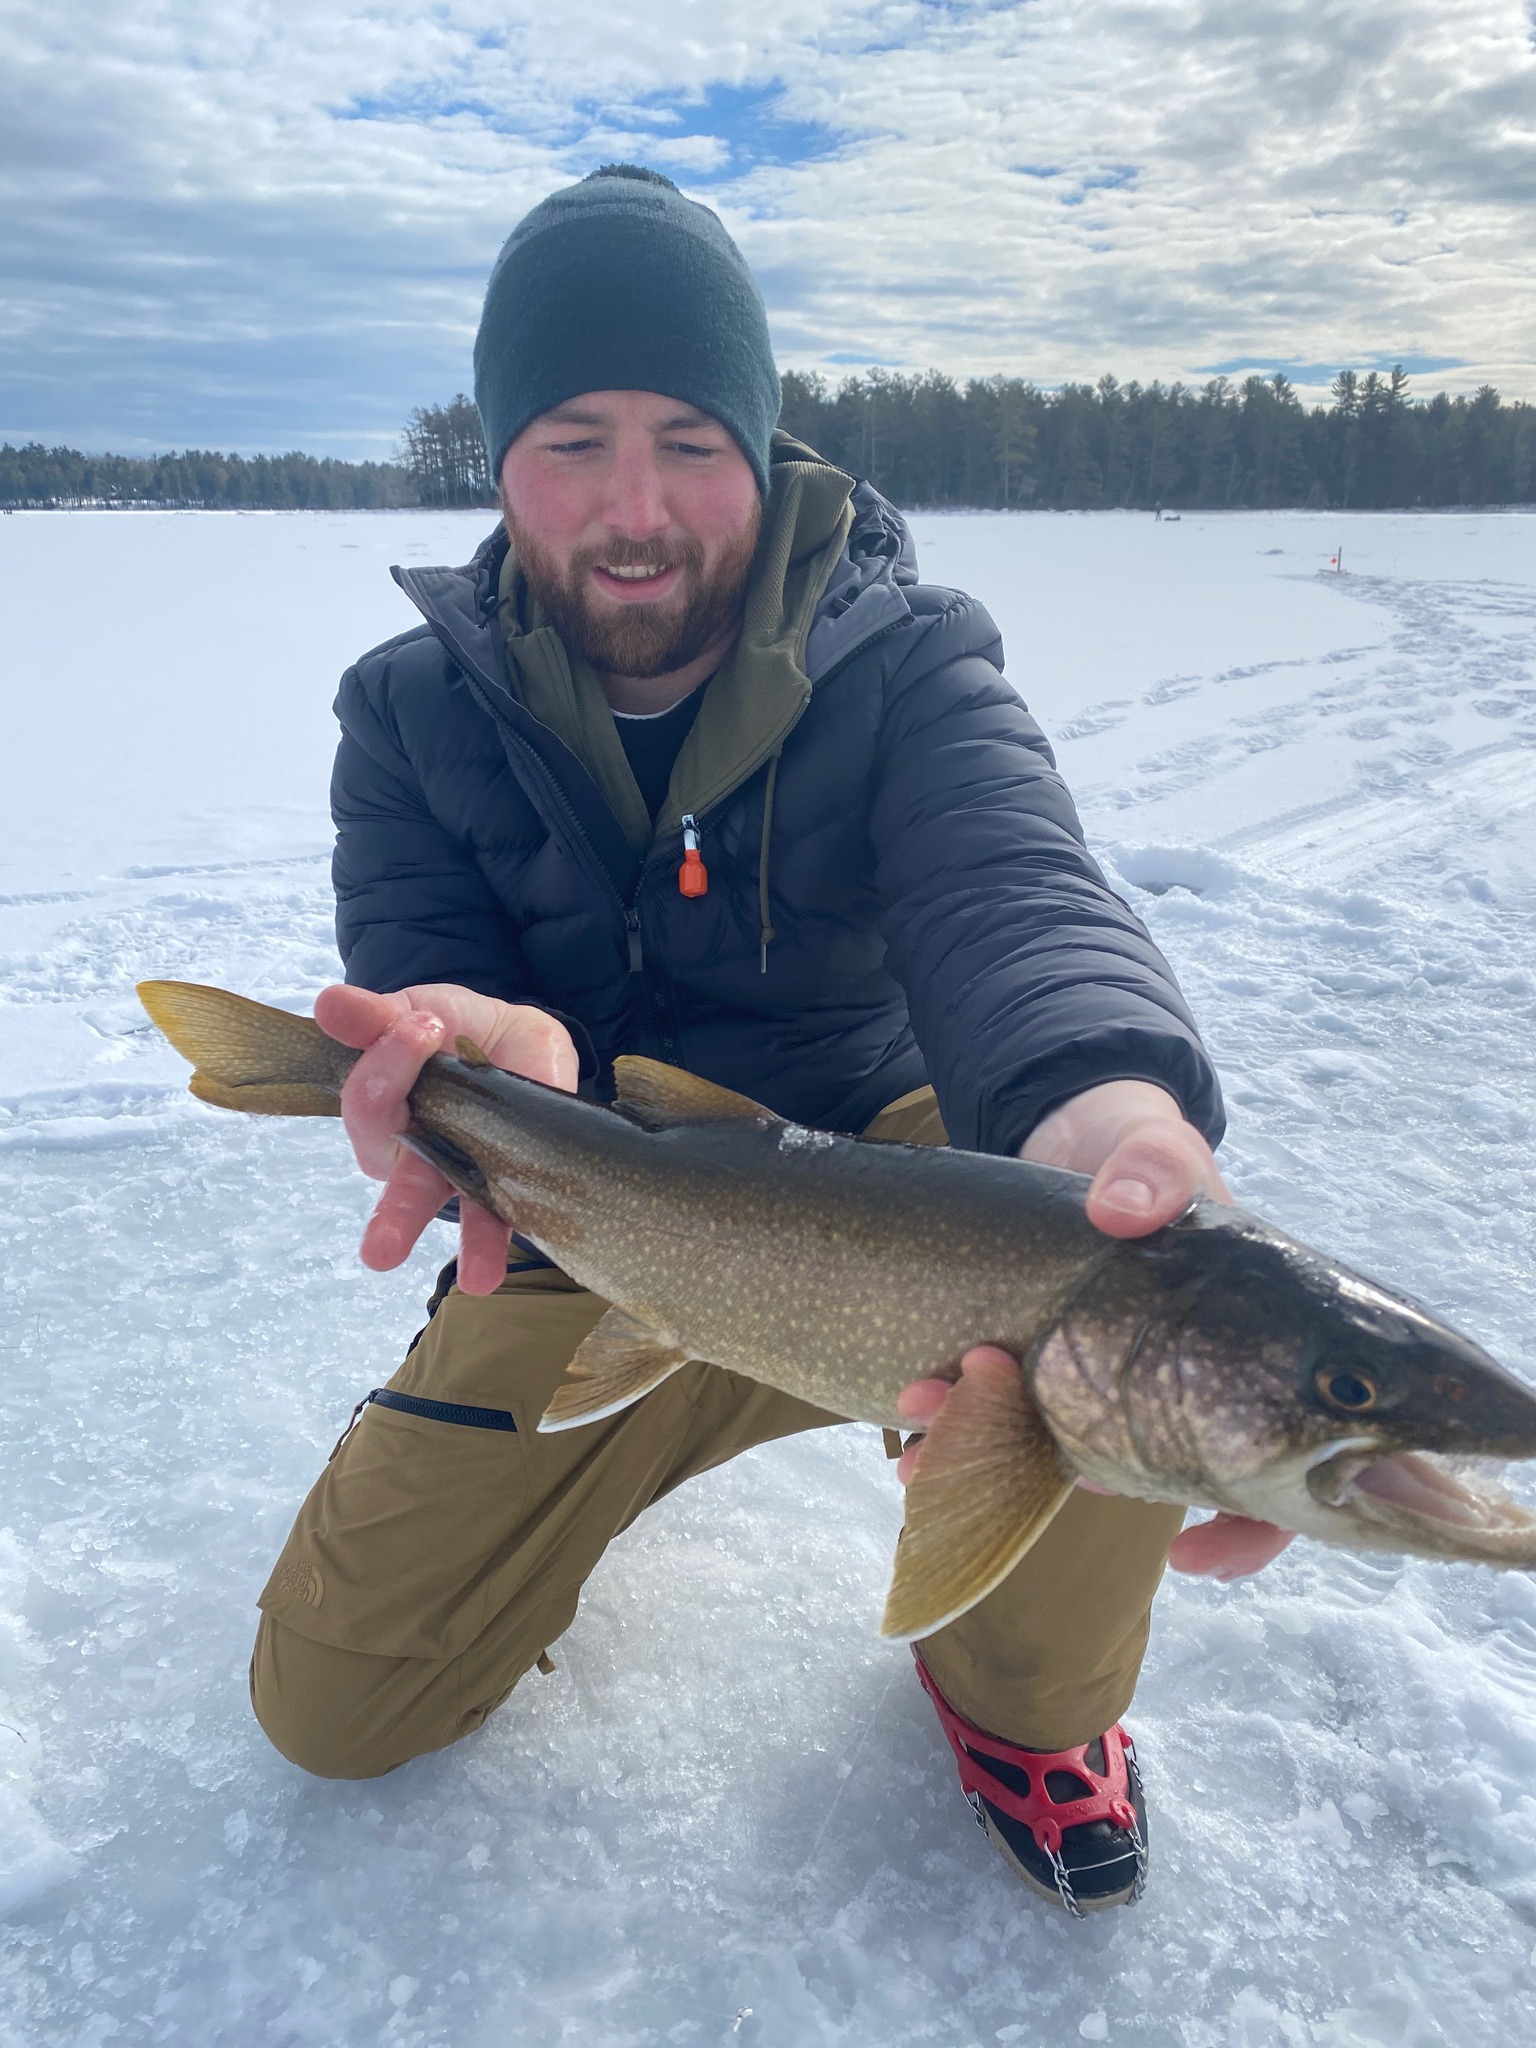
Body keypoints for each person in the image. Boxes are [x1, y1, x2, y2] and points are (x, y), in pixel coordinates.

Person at [250, 163, 1291, 1915]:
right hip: (604, 1197)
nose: (634, 506)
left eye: (689, 440)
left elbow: (1017, 896)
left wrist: (1106, 1111)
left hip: (899, 1189)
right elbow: (425, 966)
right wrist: (468, 1055)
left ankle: (1016, 1694)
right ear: (498, 462)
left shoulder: (909, 659)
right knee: (339, 1706)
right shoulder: (410, 708)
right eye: (573, 441)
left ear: (764, 448)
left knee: (1130, 1297)